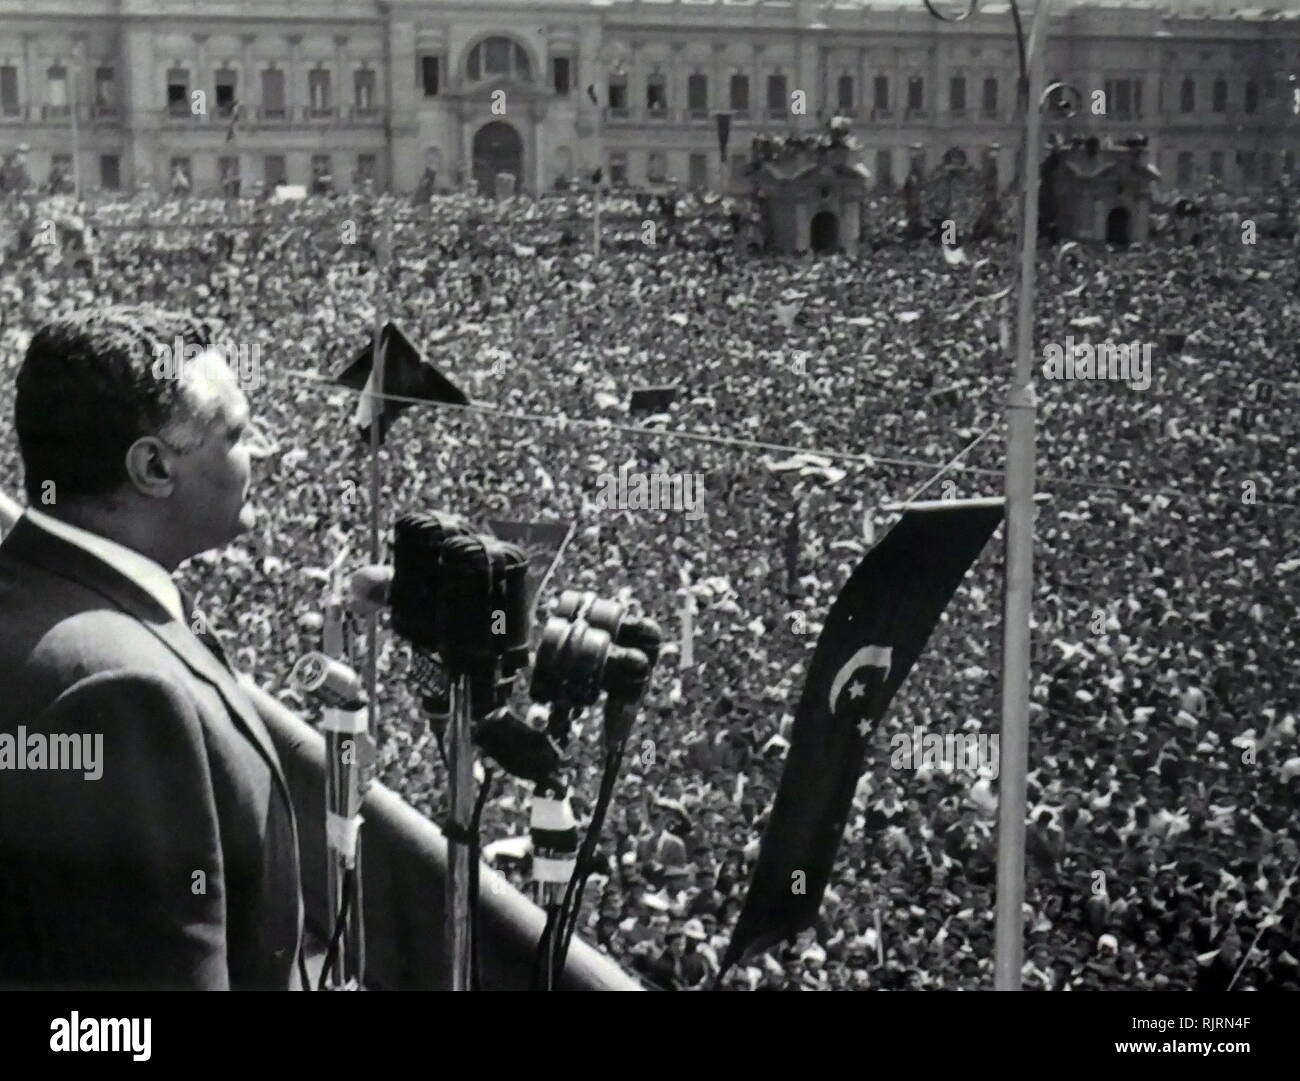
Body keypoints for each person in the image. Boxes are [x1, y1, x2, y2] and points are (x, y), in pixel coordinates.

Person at [0, 306, 303, 990]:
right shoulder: (121, 688)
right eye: (237, 434)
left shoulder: (34, 589)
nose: (261, 453)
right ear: (153, 466)